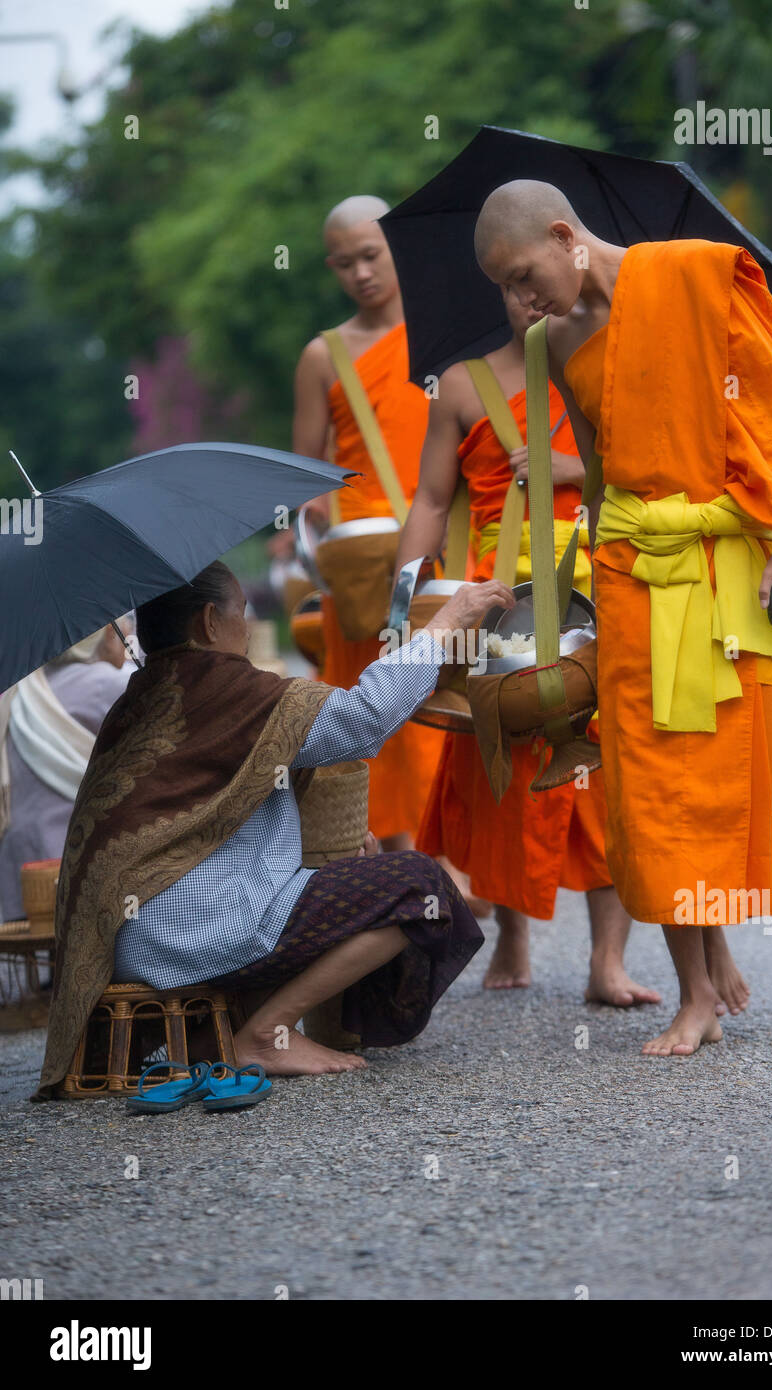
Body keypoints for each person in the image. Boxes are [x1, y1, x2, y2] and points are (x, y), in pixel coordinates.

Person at [473, 179, 772, 1055]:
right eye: (505, 292)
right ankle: (696, 991)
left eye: (524, 277)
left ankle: (712, 955)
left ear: (566, 236)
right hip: (631, 569)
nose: (519, 303)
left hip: (718, 572)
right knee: (645, 789)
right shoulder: (553, 342)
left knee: (711, 779)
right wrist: (571, 596)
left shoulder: (698, 277)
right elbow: (597, 477)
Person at [35, 562, 512, 1098]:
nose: (247, 623)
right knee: (419, 888)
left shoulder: (140, 695)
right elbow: (364, 718)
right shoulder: (225, 686)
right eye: (241, 612)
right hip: (188, 931)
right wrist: (446, 624)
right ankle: (266, 1034)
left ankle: (221, 1035)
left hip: (125, 939)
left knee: (357, 877)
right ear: (211, 622)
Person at [394, 286, 659, 1007]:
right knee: (500, 777)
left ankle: (607, 962)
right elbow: (430, 499)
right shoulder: (462, 384)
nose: (533, 298)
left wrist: (581, 471)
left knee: (605, 784)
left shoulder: (608, 368)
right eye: (513, 283)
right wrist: (404, 600)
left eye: (542, 280)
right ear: (495, 286)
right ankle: (512, 930)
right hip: (499, 609)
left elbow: (660, 473)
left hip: (596, 599)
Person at [292, 194, 446, 852]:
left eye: (371, 255)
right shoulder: (324, 355)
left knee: (444, 696)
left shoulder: (444, 331)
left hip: (438, 541)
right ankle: (393, 854)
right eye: (343, 263)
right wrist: (312, 510)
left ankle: (449, 849)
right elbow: (303, 473)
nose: (359, 273)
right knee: (370, 705)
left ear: (396, 247)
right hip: (359, 560)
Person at [0, 624, 132, 922]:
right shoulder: (106, 683)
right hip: (74, 866)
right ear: (104, 634)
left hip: (20, 864)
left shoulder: (21, 688)